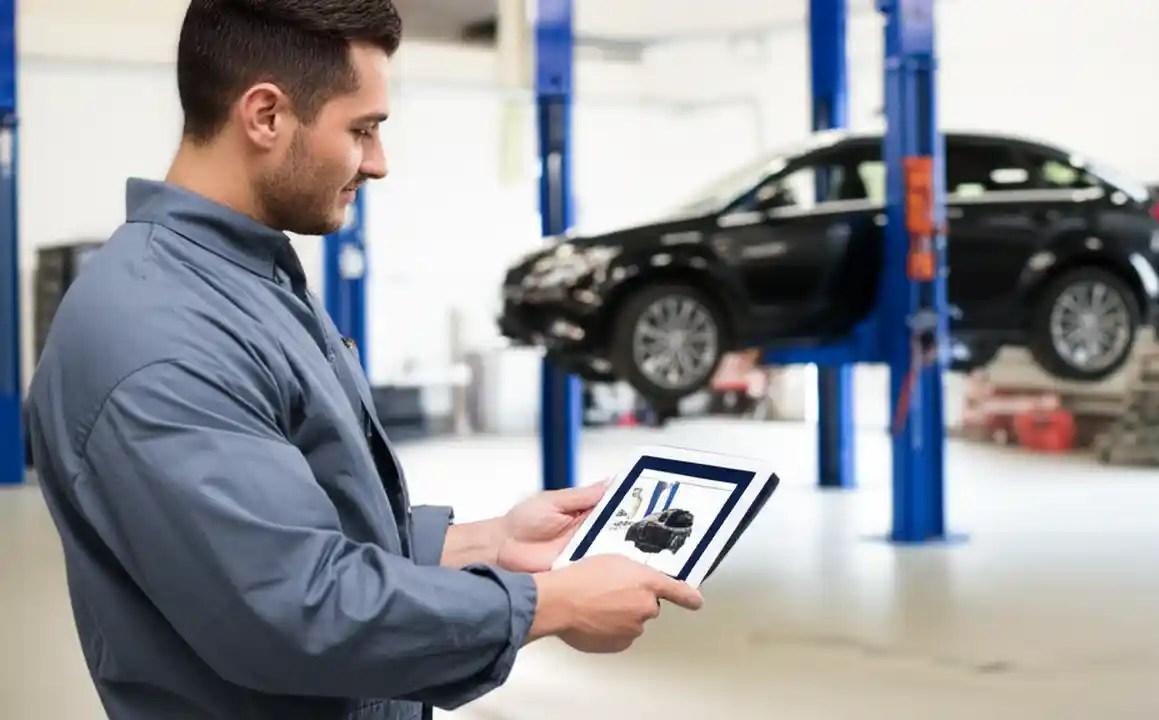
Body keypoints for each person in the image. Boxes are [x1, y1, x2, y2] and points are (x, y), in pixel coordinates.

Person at [21, 1, 704, 719]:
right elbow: (292, 608)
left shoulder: (247, 278)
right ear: (265, 116)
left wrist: (494, 541)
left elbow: (317, 524)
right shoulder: (158, 336)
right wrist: (550, 604)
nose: (378, 162)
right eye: (362, 129)